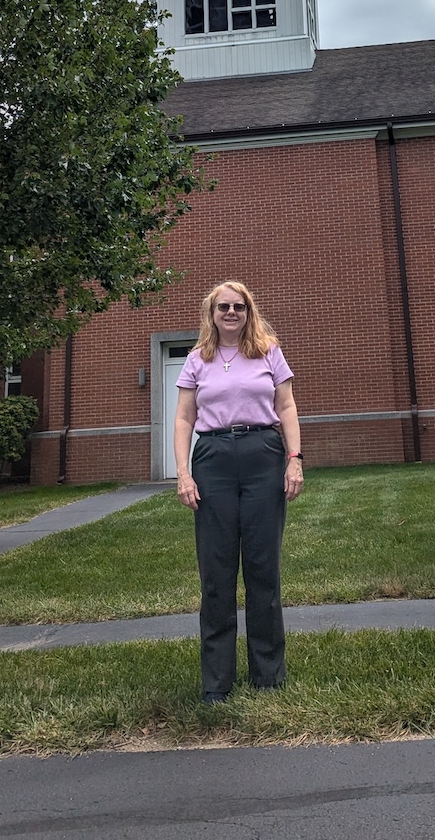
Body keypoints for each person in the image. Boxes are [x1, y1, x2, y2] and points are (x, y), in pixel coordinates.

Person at [174, 280, 304, 704]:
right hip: (212, 459)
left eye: (239, 306)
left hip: (263, 454)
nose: (231, 313)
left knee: (263, 567)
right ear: (211, 314)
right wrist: (183, 473)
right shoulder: (197, 359)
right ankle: (217, 682)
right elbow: (183, 419)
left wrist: (294, 458)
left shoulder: (269, 352)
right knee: (217, 573)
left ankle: (269, 676)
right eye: (223, 307)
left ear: (249, 312)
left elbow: (286, 406)